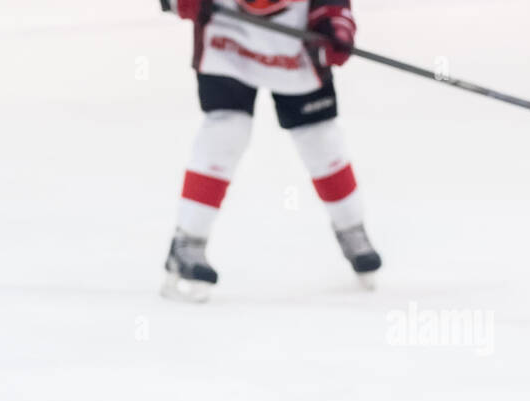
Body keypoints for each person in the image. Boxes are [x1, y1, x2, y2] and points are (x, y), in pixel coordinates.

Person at [160, 0, 381, 299]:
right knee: (226, 132)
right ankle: (188, 242)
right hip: (229, 36)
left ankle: (352, 229)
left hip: (294, 38)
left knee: (320, 139)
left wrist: (335, 26)